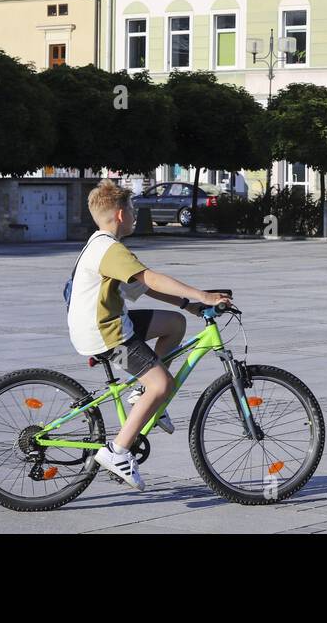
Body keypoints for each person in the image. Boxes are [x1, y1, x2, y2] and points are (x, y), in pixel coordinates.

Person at [68, 179, 230, 490]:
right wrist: (205, 295)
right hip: (106, 333)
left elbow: (142, 288)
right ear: (119, 214)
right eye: (131, 209)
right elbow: (152, 277)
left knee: (174, 325)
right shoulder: (108, 248)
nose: (133, 214)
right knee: (163, 383)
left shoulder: (103, 245)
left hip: (110, 321)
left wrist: (188, 305)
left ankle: (144, 395)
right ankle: (117, 451)